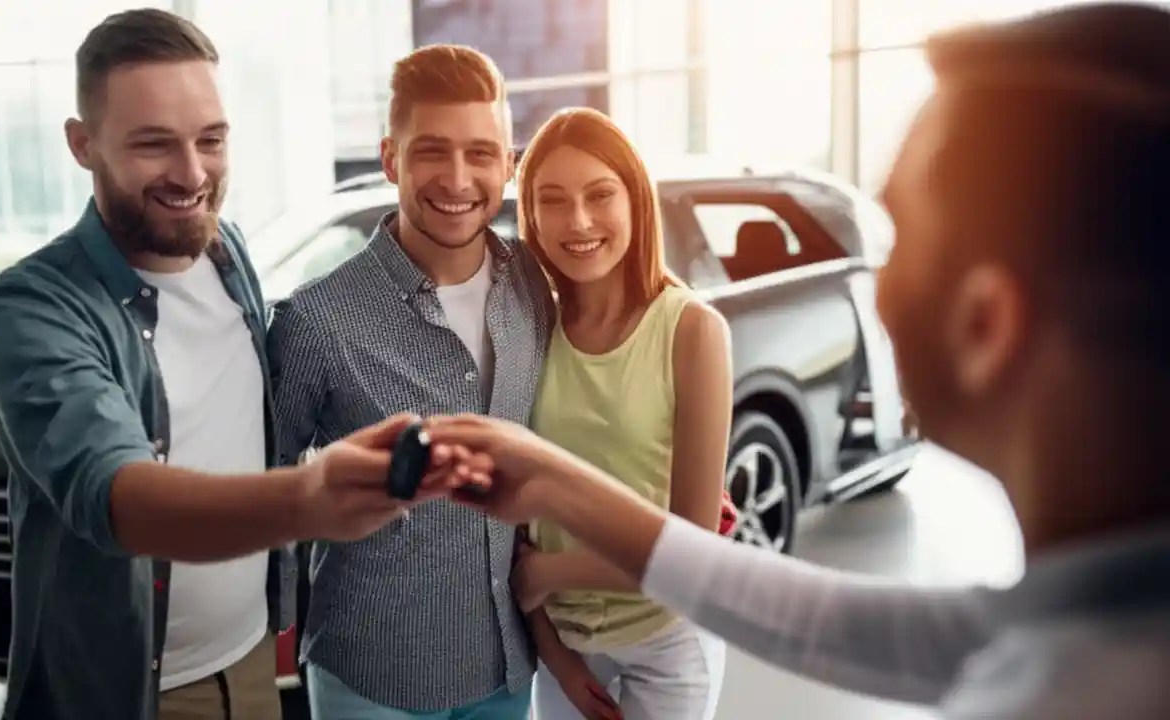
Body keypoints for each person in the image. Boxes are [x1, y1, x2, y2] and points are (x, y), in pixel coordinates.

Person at [426, 4, 1170, 718]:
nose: (870, 296)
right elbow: (855, 626)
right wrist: (558, 489)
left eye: (899, 244)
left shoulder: (1064, 694)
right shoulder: (1089, 624)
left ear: (986, 324)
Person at [0, 10, 474, 720]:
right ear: (83, 145)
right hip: (130, 694)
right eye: (154, 145)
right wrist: (308, 500)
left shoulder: (225, 251)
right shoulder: (34, 308)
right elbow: (118, 495)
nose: (192, 173)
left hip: (248, 668)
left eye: (210, 139)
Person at [267, 45, 554, 718]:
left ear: (509, 165)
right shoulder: (317, 320)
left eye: (482, 153)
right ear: (391, 158)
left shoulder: (536, 290)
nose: (457, 178)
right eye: (432, 151)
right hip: (373, 674)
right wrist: (266, 628)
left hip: (507, 666)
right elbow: (267, 481)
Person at [509, 107, 728, 720]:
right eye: (552, 200)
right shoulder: (531, 326)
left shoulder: (692, 330)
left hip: (669, 640)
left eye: (599, 194)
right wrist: (560, 662)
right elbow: (521, 537)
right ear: (531, 215)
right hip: (567, 643)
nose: (577, 222)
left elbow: (692, 547)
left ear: (635, 199)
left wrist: (554, 571)